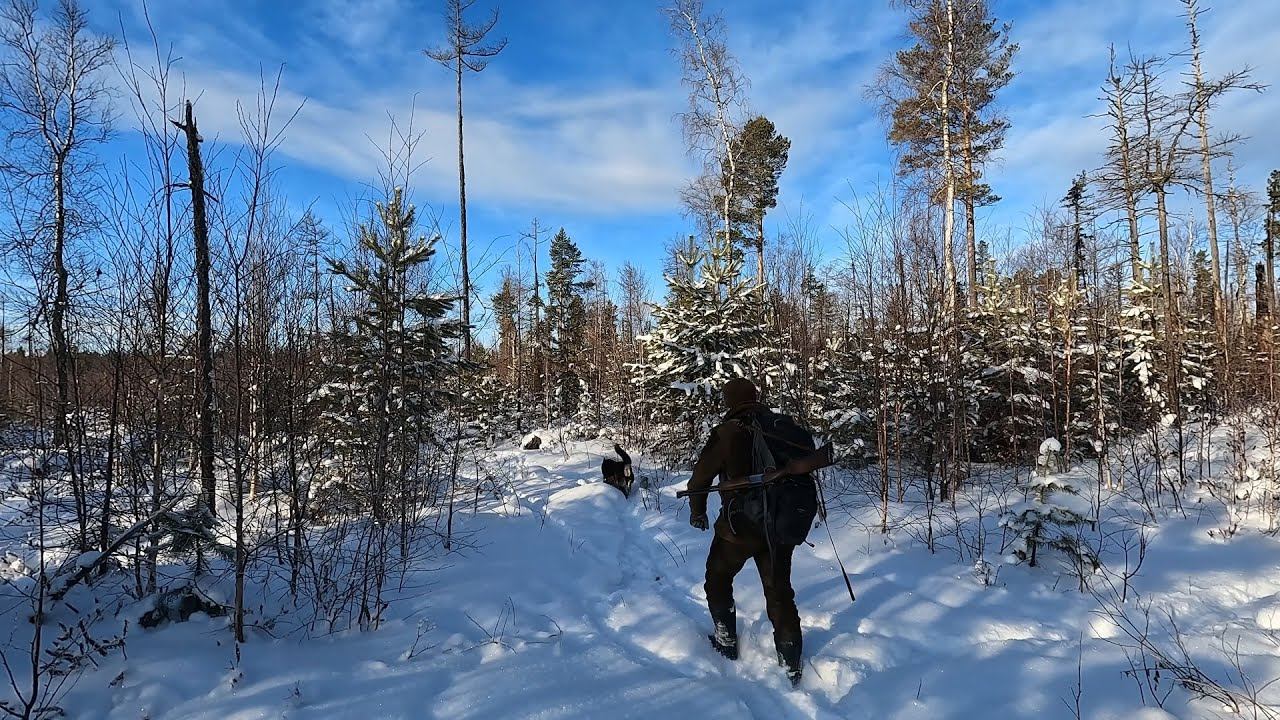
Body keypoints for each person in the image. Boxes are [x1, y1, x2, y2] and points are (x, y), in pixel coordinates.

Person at [686, 377, 809, 687]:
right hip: (780, 527)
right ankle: (791, 664)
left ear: (730, 401)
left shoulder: (727, 433)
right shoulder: (782, 426)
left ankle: (726, 641)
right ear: (755, 397)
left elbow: (700, 478)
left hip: (740, 529)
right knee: (780, 592)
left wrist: (697, 512)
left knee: (717, 577)